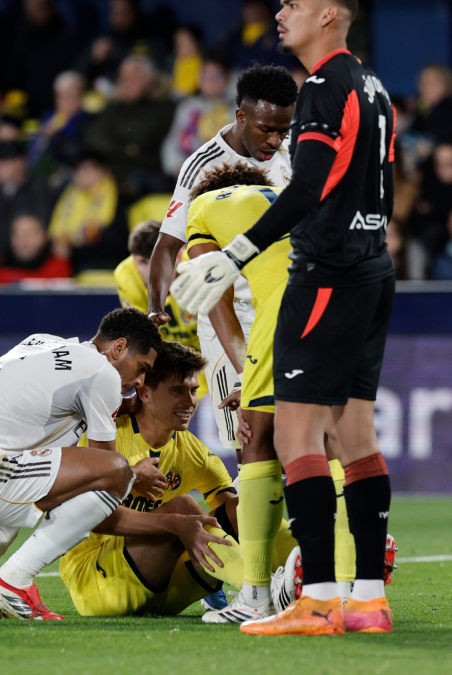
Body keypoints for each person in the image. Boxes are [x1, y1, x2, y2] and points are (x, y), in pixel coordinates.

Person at [171, 0, 398, 636]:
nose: (280, 11)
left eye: (294, 4)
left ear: (330, 13)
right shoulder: (375, 89)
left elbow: (309, 187)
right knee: (355, 438)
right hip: (372, 268)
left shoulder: (325, 87)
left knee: (293, 436)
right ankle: (369, 600)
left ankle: (319, 599)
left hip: (326, 275)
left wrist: (235, 254)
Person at [183, 162, 370, 624]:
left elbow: (213, 295)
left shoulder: (202, 208)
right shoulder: (284, 200)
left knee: (257, 442)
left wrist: (245, 369)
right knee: (332, 445)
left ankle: (255, 595)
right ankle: (346, 593)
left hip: (290, 303)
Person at [0, 308, 164, 620]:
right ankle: (14, 581)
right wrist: (133, 476)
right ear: (119, 348)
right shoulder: (104, 374)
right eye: (141, 368)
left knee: (31, 462)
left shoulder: (40, 342)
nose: (140, 381)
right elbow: (105, 467)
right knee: (115, 472)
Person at [60, 341, 302, 617]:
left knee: (244, 509)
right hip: (98, 585)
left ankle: (325, 581)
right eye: (177, 391)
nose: (189, 402)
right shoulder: (106, 438)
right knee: (184, 509)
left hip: (168, 591)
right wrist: (135, 485)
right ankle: (258, 592)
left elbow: (240, 519)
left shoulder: (192, 451)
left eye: (194, 390)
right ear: (146, 392)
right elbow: (79, 516)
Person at [146, 63, 297, 454]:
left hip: (283, 305)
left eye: (284, 128)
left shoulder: (297, 149)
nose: (277, 139)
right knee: (250, 439)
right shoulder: (202, 167)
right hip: (227, 313)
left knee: (299, 432)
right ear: (241, 116)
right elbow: (167, 245)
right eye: (268, 129)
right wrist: (154, 307)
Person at [85, 55, 177, 188]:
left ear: (148, 79)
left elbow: (142, 136)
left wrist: (115, 144)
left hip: (147, 173)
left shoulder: (164, 106)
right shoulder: (114, 106)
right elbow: (95, 137)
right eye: (123, 79)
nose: (126, 84)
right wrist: (124, 149)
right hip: (112, 169)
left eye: (133, 78)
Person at [114, 220, 200, 355]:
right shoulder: (126, 275)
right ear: (133, 260)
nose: (150, 271)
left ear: (177, 256)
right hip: (166, 355)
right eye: (143, 262)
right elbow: (144, 334)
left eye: (159, 260)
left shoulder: (199, 266)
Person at [0, 140, 51, 268]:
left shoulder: (38, 189)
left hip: (27, 261)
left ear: (20, 163)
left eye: (4, 163)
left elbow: (42, 228)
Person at [48, 150, 125, 272]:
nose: (84, 175)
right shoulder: (68, 195)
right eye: (80, 170)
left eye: (90, 170)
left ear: (104, 171)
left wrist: (73, 250)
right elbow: (56, 231)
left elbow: (116, 243)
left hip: (105, 263)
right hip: (72, 260)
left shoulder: (119, 198)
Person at [162, 59, 234, 176]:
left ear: (227, 80)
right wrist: (177, 167)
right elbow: (172, 142)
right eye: (205, 76)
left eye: (216, 76)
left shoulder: (236, 109)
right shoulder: (188, 107)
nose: (210, 81)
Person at [0, 213, 71, 284]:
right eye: (17, 234)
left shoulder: (58, 266)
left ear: (44, 237)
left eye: (29, 234)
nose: (23, 240)